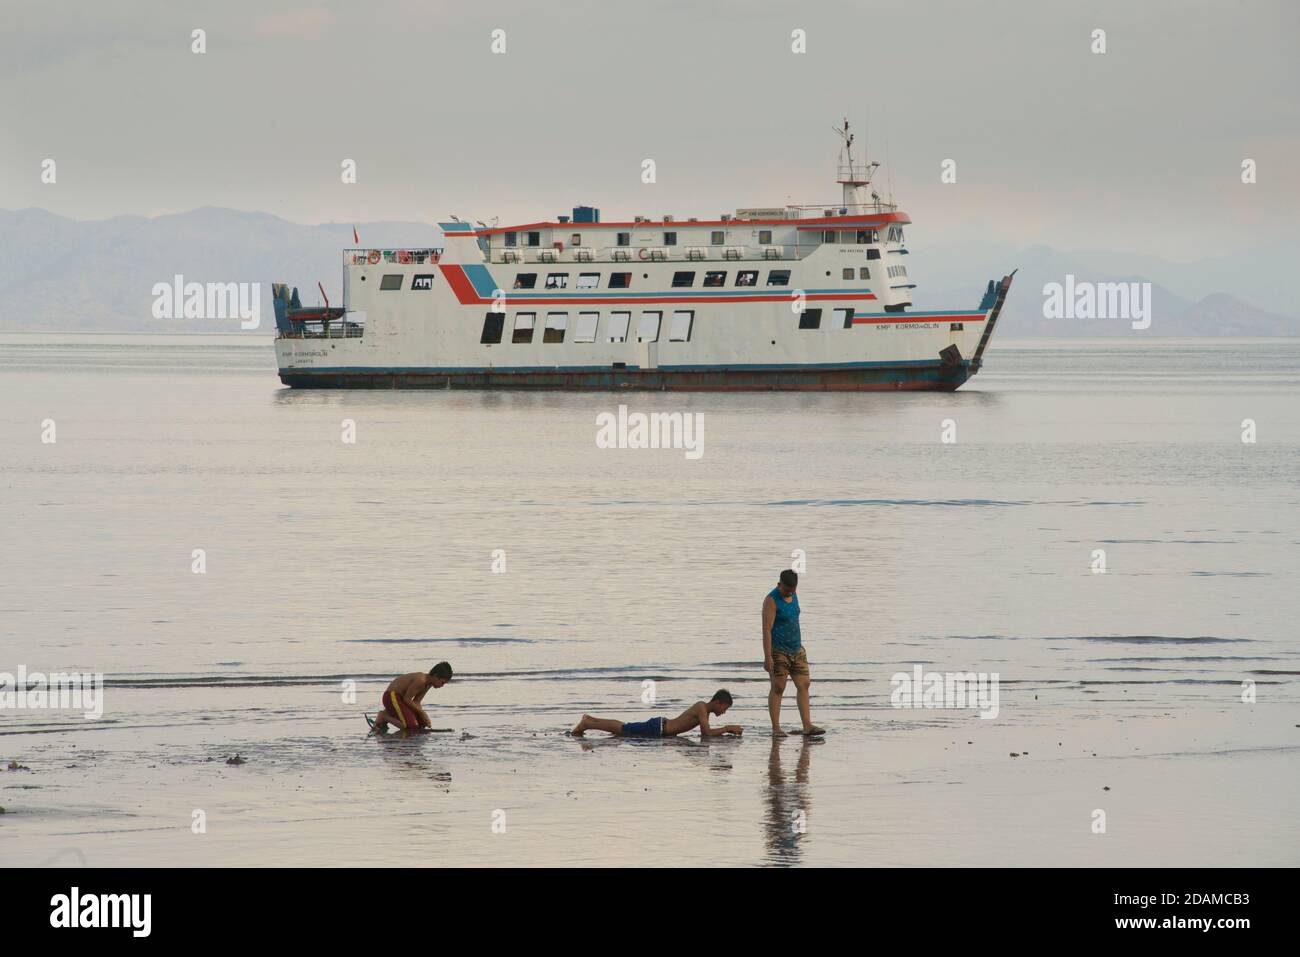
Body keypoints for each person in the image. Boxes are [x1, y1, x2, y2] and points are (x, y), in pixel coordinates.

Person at [763, 570, 824, 736]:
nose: (789, 592)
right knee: (778, 687)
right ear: (779, 584)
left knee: (804, 685)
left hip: (797, 649)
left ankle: (807, 726)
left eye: (792, 589)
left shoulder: (794, 595)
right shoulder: (771, 600)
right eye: (786, 589)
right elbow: (766, 630)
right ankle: (776, 728)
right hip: (778, 651)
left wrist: (798, 648)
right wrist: (768, 656)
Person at [570, 689, 741, 738]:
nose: (724, 712)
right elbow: (706, 733)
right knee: (623, 729)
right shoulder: (702, 708)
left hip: (660, 728)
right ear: (718, 702)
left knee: (625, 728)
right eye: (724, 708)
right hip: (658, 728)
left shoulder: (705, 711)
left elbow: (706, 735)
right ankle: (588, 723)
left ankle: (591, 720)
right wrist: (727, 728)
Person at [373, 662, 453, 733]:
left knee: (421, 724)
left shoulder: (428, 684)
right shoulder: (421, 680)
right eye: (442, 682)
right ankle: (384, 716)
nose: (442, 686)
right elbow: (407, 699)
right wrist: (423, 713)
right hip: (392, 696)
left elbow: (417, 701)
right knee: (410, 727)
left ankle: (389, 713)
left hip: (401, 700)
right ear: (435, 676)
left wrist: (422, 718)